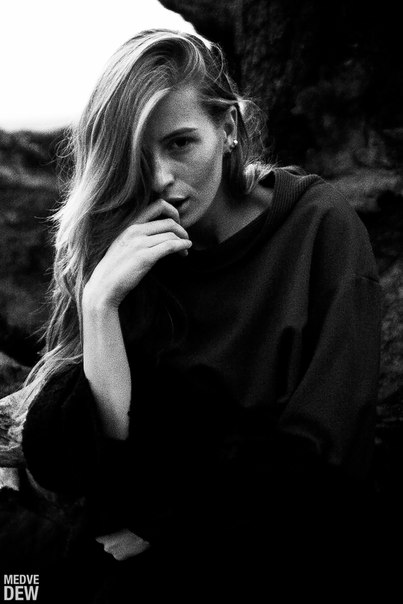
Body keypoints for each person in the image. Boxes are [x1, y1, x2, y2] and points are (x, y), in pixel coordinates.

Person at [20, 28, 381, 601]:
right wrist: (100, 305)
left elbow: (325, 457)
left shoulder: (318, 227)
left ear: (228, 128)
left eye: (181, 143)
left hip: (276, 558)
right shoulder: (129, 246)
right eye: (138, 155)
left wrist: (162, 522)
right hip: (132, 558)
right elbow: (92, 463)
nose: (160, 177)